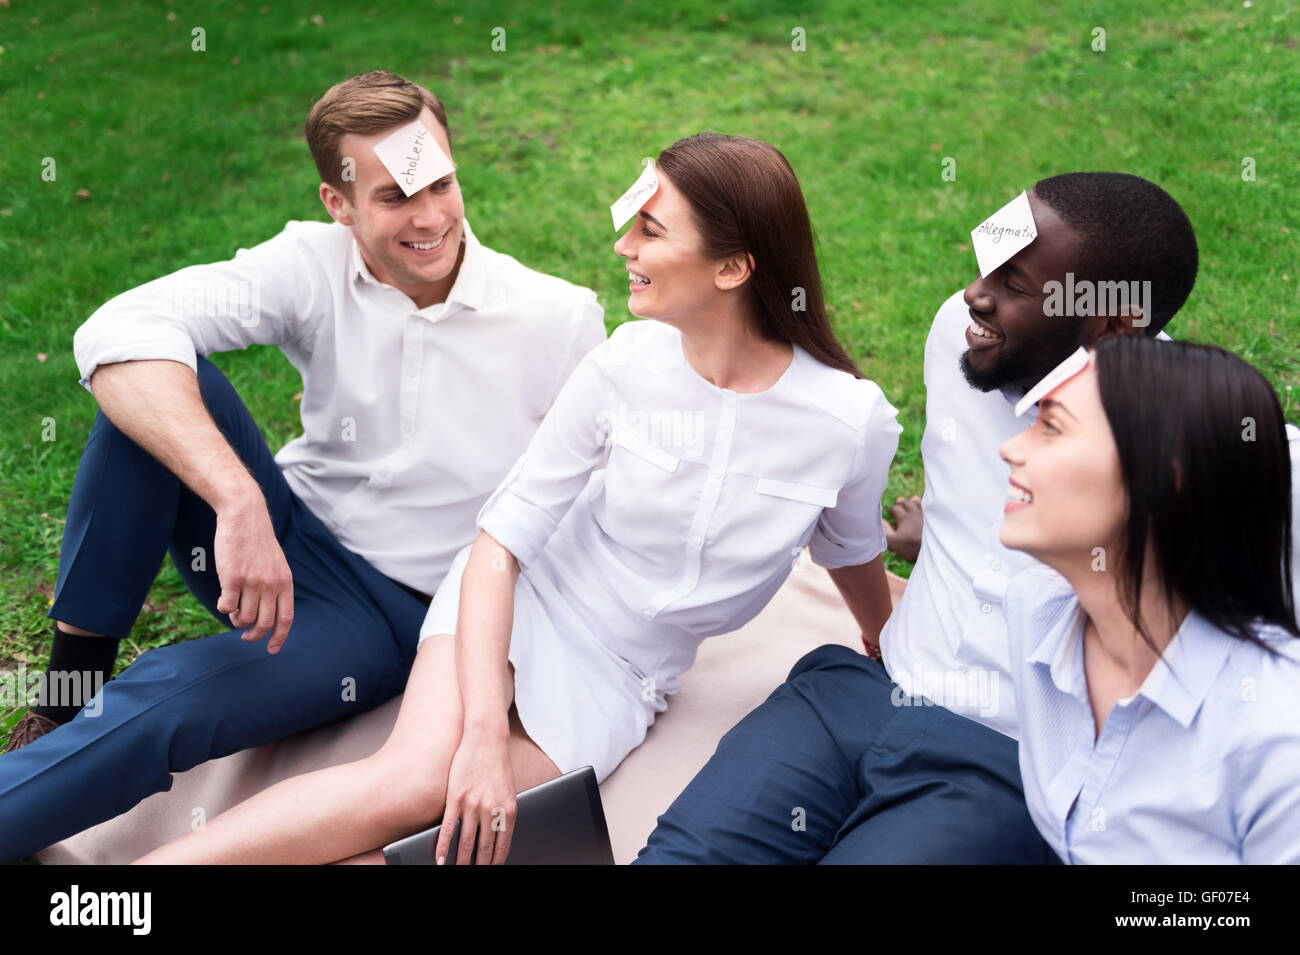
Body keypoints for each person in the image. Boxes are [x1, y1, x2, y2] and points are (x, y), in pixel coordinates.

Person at [132, 132, 904, 865]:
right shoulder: (624, 365)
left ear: (732, 268)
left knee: (470, 838)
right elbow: (502, 539)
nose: (623, 247)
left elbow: (850, 545)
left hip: (627, 676)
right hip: (523, 594)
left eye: (651, 231)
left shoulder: (848, 422)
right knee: (414, 784)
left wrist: (888, 640)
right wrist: (477, 731)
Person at [0, 70, 606, 864]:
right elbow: (115, 329)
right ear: (339, 204)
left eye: (442, 184)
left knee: (166, 701)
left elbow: (597, 500)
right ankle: (61, 693)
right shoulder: (311, 262)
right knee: (148, 397)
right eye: (394, 197)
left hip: (389, 615)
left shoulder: (556, 317)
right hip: (279, 544)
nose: (430, 217)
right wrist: (237, 497)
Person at [634, 171, 1279, 863]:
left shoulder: (1193, 449)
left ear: (1116, 322)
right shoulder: (962, 332)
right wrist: (928, 535)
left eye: (1016, 287)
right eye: (984, 264)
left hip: (994, 754)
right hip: (860, 693)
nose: (977, 295)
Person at [1000, 336, 1299, 863]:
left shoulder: (1276, 735)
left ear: (1165, 478)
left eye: (1051, 426)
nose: (1012, 447)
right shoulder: (1033, 610)